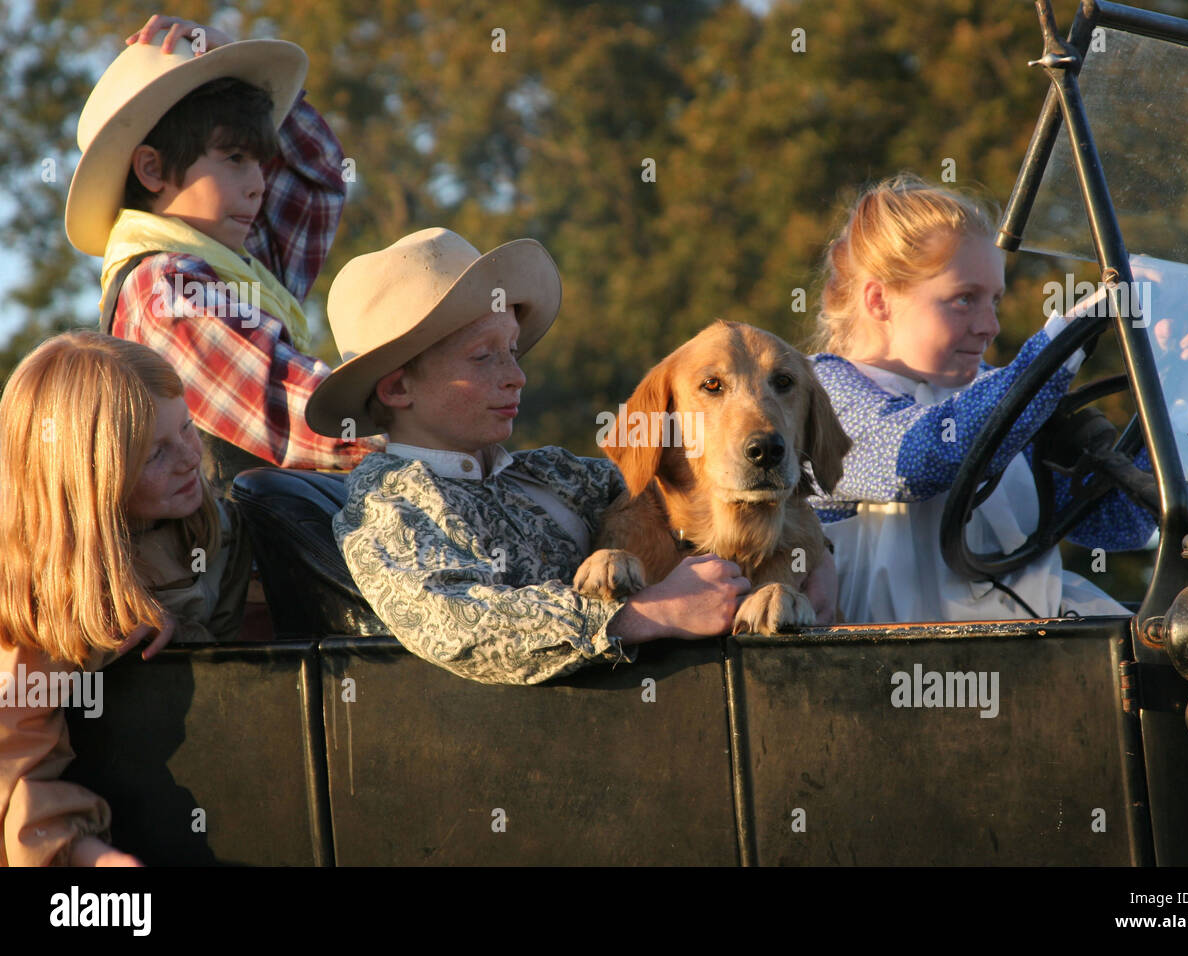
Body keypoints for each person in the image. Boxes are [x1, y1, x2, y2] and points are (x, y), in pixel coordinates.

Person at [308, 228, 835, 685]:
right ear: (399, 389)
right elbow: (459, 624)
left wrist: (811, 558)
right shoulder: (385, 506)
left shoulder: (558, 474)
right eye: (484, 356)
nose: (516, 374)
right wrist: (652, 613)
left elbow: (701, 491)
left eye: (512, 350)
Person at [807, 174, 1188, 623]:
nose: (991, 326)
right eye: (964, 299)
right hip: (889, 680)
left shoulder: (1003, 395)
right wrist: (1076, 327)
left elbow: (1122, 523)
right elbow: (917, 461)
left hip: (1028, 666)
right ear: (879, 301)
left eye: (995, 301)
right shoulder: (818, 397)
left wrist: (1181, 377)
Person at [64, 14, 381, 495]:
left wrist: (249, 76)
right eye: (234, 158)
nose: (258, 185)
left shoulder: (235, 268)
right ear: (151, 168)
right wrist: (403, 421)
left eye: (262, 162)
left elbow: (316, 184)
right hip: (232, 558)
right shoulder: (166, 286)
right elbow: (277, 401)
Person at [0, 332, 252, 866]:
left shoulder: (214, 530)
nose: (189, 458)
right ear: (84, 480)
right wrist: (87, 857)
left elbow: (243, 668)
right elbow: (15, 764)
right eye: (155, 452)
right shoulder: (40, 595)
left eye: (187, 428)